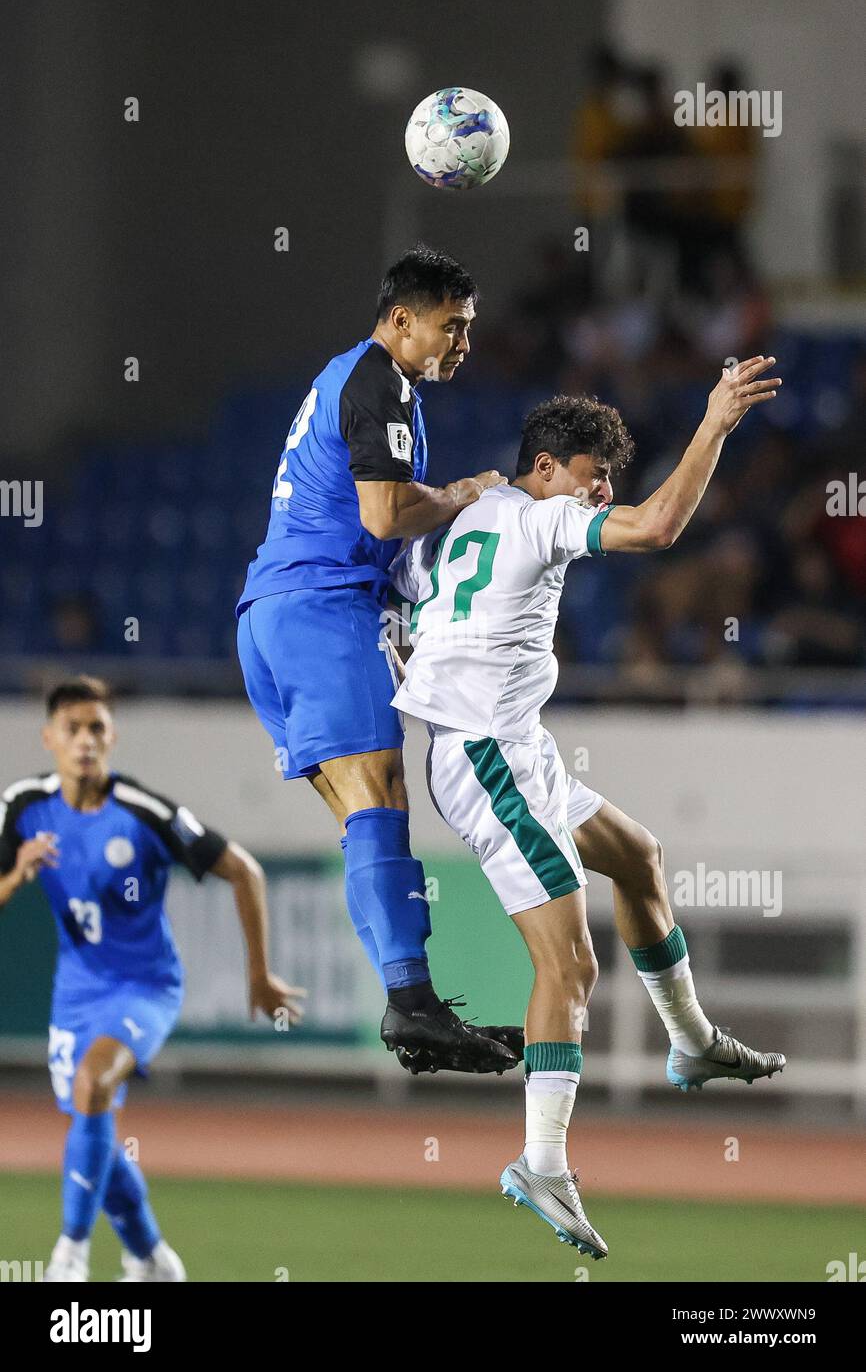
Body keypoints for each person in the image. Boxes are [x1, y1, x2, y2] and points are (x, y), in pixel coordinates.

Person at [388, 358, 786, 1256]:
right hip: (492, 757)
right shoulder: (537, 516)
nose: (602, 490)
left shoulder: (454, 524)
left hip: (512, 746)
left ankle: (689, 1042)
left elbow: (401, 605)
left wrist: (407, 655)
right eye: (591, 474)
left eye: (606, 478)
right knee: (570, 970)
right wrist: (715, 422)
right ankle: (542, 1162)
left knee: (638, 856)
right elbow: (657, 526)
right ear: (543, 470)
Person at [236, 244, 519, 1075]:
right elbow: (389, 513)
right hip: (320, 611)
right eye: (451, 326)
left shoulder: (347, 376)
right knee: (384, 793)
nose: (462, 343)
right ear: (402, 320)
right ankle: (411, 1004)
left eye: (469, 328)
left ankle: (413, 1000)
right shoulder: (380, 383)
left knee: (366, 816)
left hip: (268, 618)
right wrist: (466, 493)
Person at [0, 675, 305, 1283]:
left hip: (145, 988)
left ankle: (69, 1257)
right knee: (94, 1129)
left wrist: (259, 974)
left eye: (97, 728)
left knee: (92, 1089)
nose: (86, 740)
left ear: (113, 737)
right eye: (73, 729)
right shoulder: (21, 806)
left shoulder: (144, 811)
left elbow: (244, 871)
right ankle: (151, 1259)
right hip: (75, 991)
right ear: (49, 738)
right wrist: (15, 875)